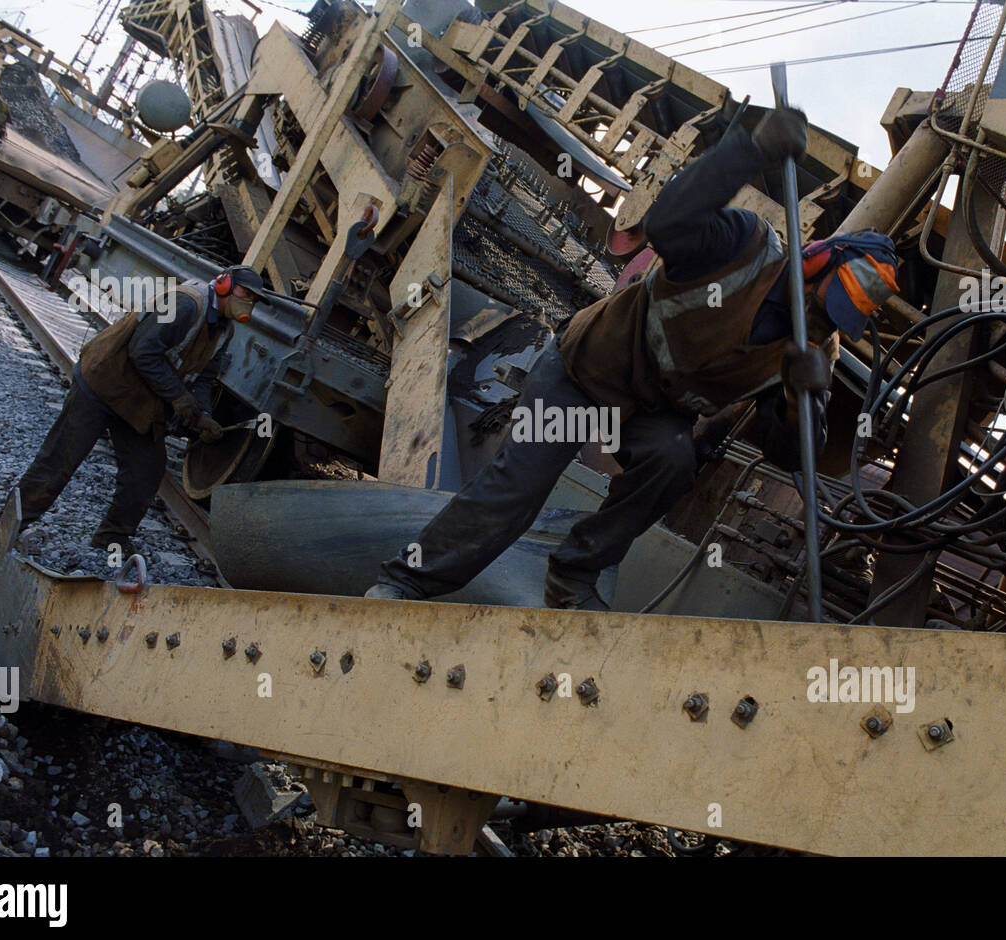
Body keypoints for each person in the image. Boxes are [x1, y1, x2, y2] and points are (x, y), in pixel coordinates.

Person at [366, 106, 900, 609]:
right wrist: (747, 149)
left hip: (648, 412)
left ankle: (573, 572)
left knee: (672, 460)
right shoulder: (744, 246)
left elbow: (791, 454)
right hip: (588, 369)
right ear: (817, 262)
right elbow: (667, 222)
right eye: (825, 301)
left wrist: (794, 399)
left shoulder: (813, 352)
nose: (823, 317)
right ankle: (406, 580)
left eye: (837, 317)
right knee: (518, 488)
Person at [13, 264, 269, 554]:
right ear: (223, 285)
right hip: (105, 383)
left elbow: (204, 378)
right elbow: (143, 351)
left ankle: (111, 538)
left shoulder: (224, 331)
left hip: (139, 399)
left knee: (145, 471)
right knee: (61, 459)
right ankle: (14, 524)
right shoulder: (185, 303)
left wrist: (204, 416)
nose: (248, 301)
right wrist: (178, 398)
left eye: (253, 299)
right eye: (244, 292)